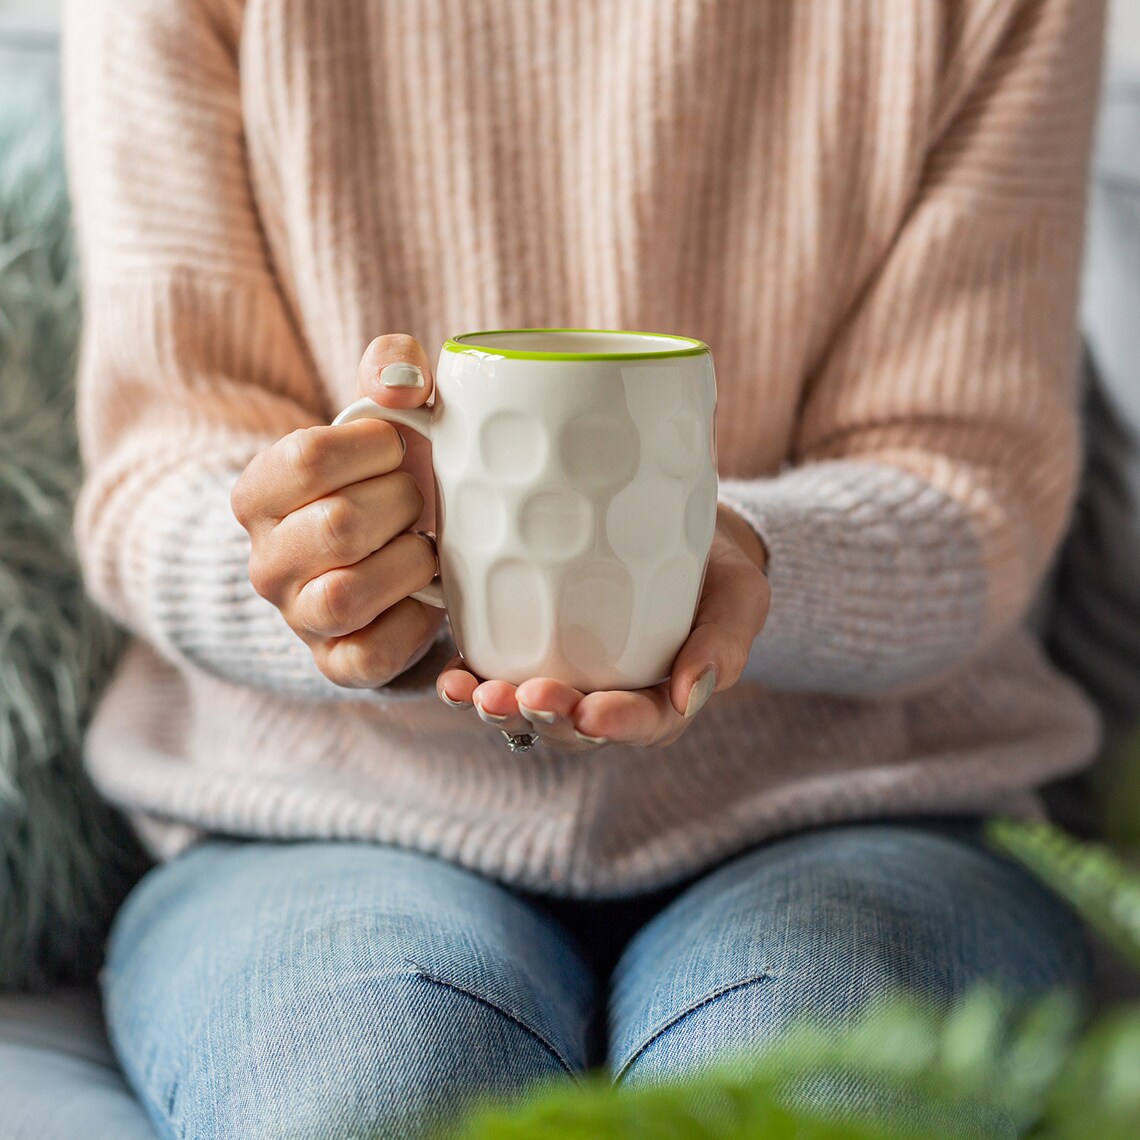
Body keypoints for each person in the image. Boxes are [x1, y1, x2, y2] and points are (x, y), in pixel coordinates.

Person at [63, 0, 1104, 1136]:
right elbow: (153, 471)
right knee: (370, 1103)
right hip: (319, 814)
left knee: (811, 1108)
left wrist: (742, 571)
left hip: (859, 809)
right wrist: (332, 581)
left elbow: (969, 481)